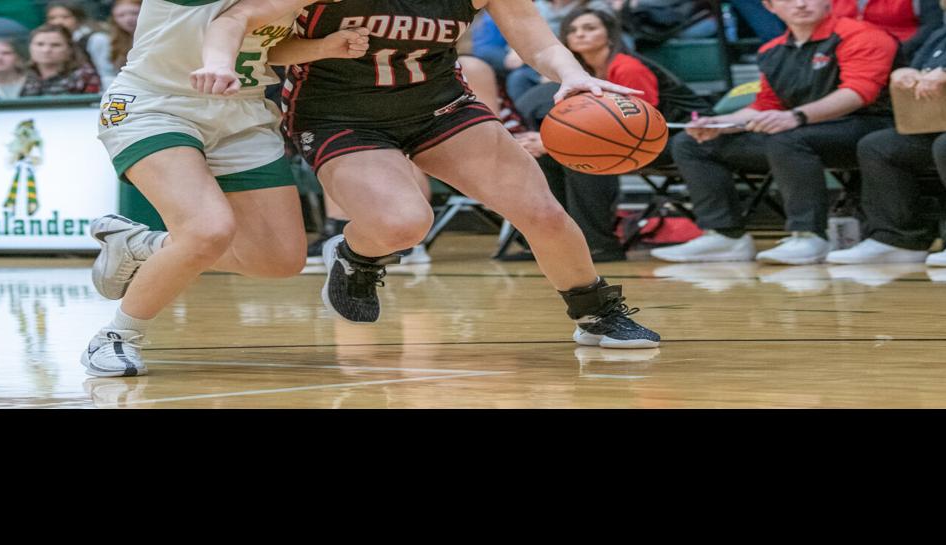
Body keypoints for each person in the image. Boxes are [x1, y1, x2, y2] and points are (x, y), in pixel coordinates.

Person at [275, 0, 661, 348]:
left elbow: (536, 39)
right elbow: (262, 43)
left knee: (541, 212)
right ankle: (355, 256)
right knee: (403, 225)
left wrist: (570, 73)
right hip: (337, 115)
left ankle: (594, 312)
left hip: (441, 107)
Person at [79, 0, 370, 377]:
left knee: (278, 260)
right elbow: (230, 22)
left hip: (241, 112)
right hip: (156, 105)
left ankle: (141, 245)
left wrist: (323, 47)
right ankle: (116, 335)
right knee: (207, 230)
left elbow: (264, 42)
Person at [652, 0, 897, 265]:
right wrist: (720, 123)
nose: (801, 4)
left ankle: (808, 235)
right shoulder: (772, 50)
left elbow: (859, 93)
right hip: (797, 136)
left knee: (787, 138)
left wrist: (796, 117)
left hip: (866, 128)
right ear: (769, 6)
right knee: (692, 143)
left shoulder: (862, 35)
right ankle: (724, 235)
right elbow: (765, 106)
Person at [513, 7, 710, 260]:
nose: (580, 34)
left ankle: (598, 244)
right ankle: (558, 243)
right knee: (546, 156)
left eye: (589, 28)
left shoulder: (628, 67)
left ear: (610, 35)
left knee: (583, 158)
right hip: (634, 140)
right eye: (572, 30)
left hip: (678, 136)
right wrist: (547, 142)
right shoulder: (579, 75)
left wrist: (550, 143)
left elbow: (638, 126)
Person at [825, 0, 946, 266]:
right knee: (880, 145)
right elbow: (913, 67)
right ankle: (898, 240)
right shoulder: (943, 35)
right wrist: (903, 74)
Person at [20, 22, 99, 95]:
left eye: (55, 45)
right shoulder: (20, 74)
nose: (46, 50)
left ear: (70, 49)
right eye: (40, 44)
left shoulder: (84, 76)